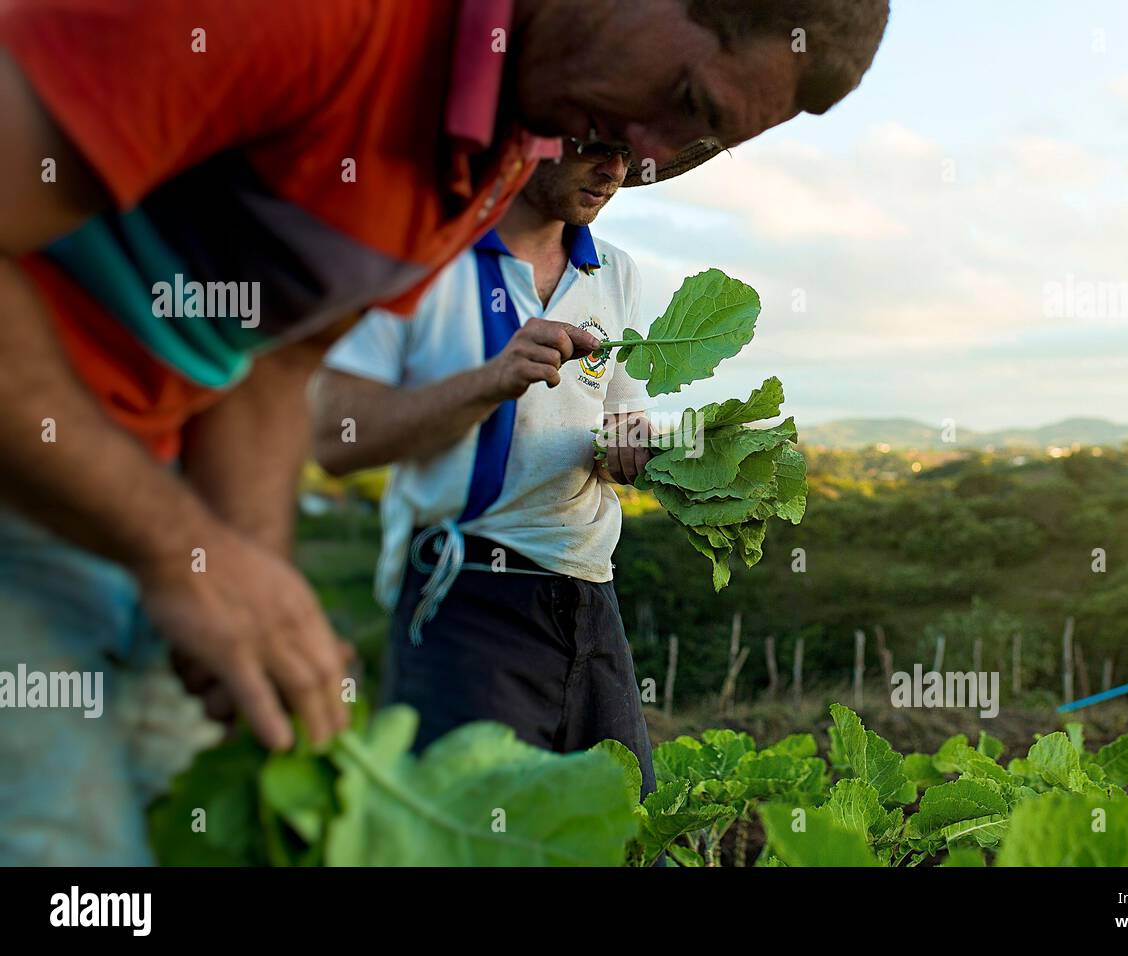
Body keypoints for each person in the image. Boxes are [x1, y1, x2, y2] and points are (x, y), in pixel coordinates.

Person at [0, 0, 890, 864]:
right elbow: (329, 420)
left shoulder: (490, 155)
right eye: (688, 101)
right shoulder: (333, 24)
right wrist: (180, 548)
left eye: (697, 144)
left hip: (128, 513)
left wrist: (246, 579)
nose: (645, 161)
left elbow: (266, 360)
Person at [311, 138, 660, 793]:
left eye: (629, 155)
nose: (615, 171)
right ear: (531, 136)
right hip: (466, 591)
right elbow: (334, 436)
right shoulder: (423, 255)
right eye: (593, 147)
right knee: (475, 834)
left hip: (588, 590)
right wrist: (491, 380)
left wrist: (638, 447)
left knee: (625, 834)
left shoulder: (615, 271)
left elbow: (623, 408)